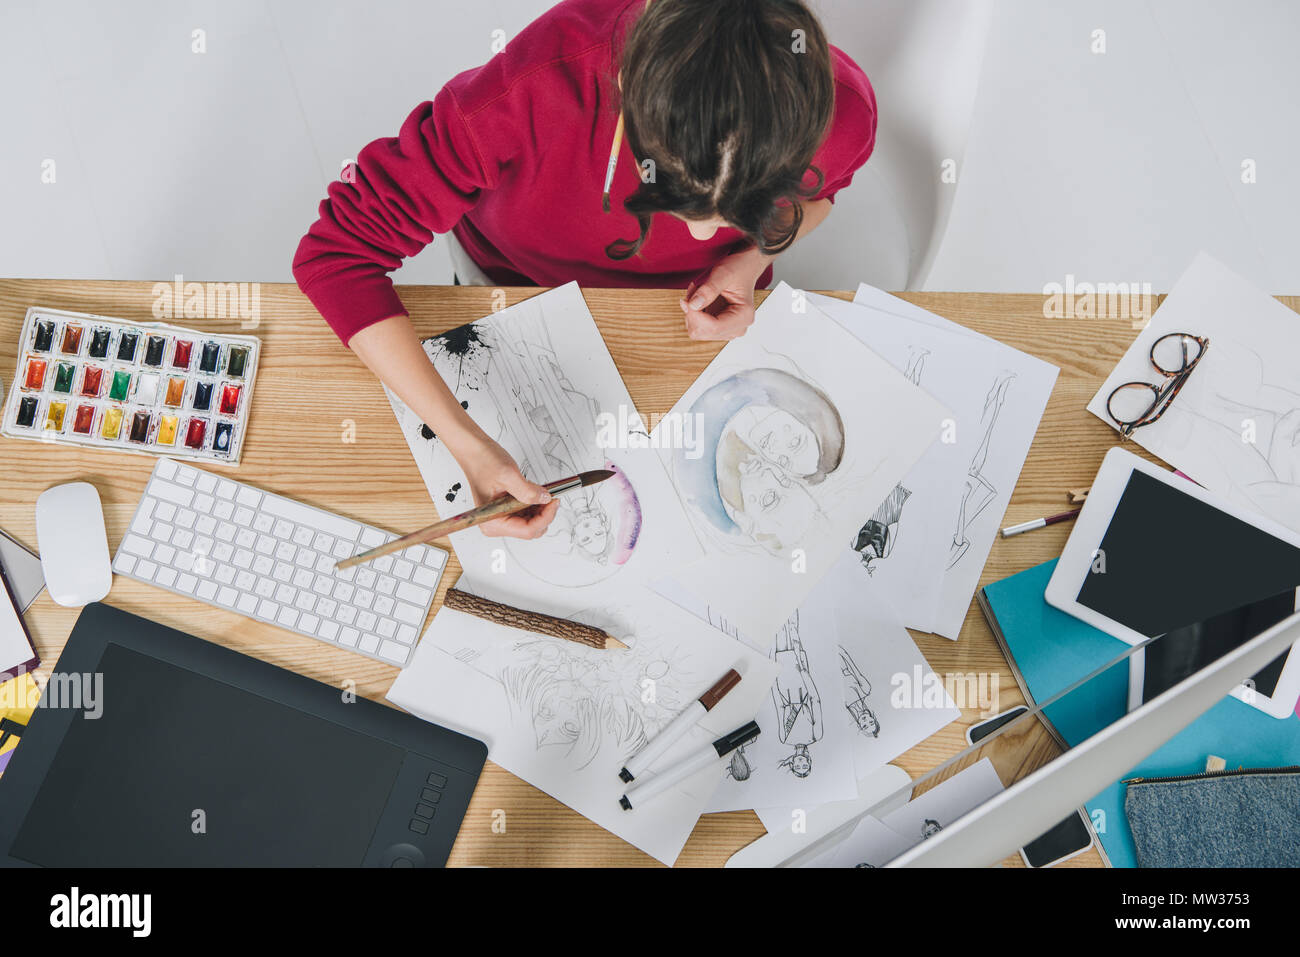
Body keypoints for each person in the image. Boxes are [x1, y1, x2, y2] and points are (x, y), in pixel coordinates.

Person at [293, 0, 878, 540]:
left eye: (740, 210)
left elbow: (824, 193)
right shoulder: (529, 90)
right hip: (509, 283)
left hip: (684, 327)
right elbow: (336, 256)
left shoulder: (839, 103)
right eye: (680, 201)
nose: (705, 235)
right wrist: (467, 448)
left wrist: (752, 258)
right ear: (628, 93)